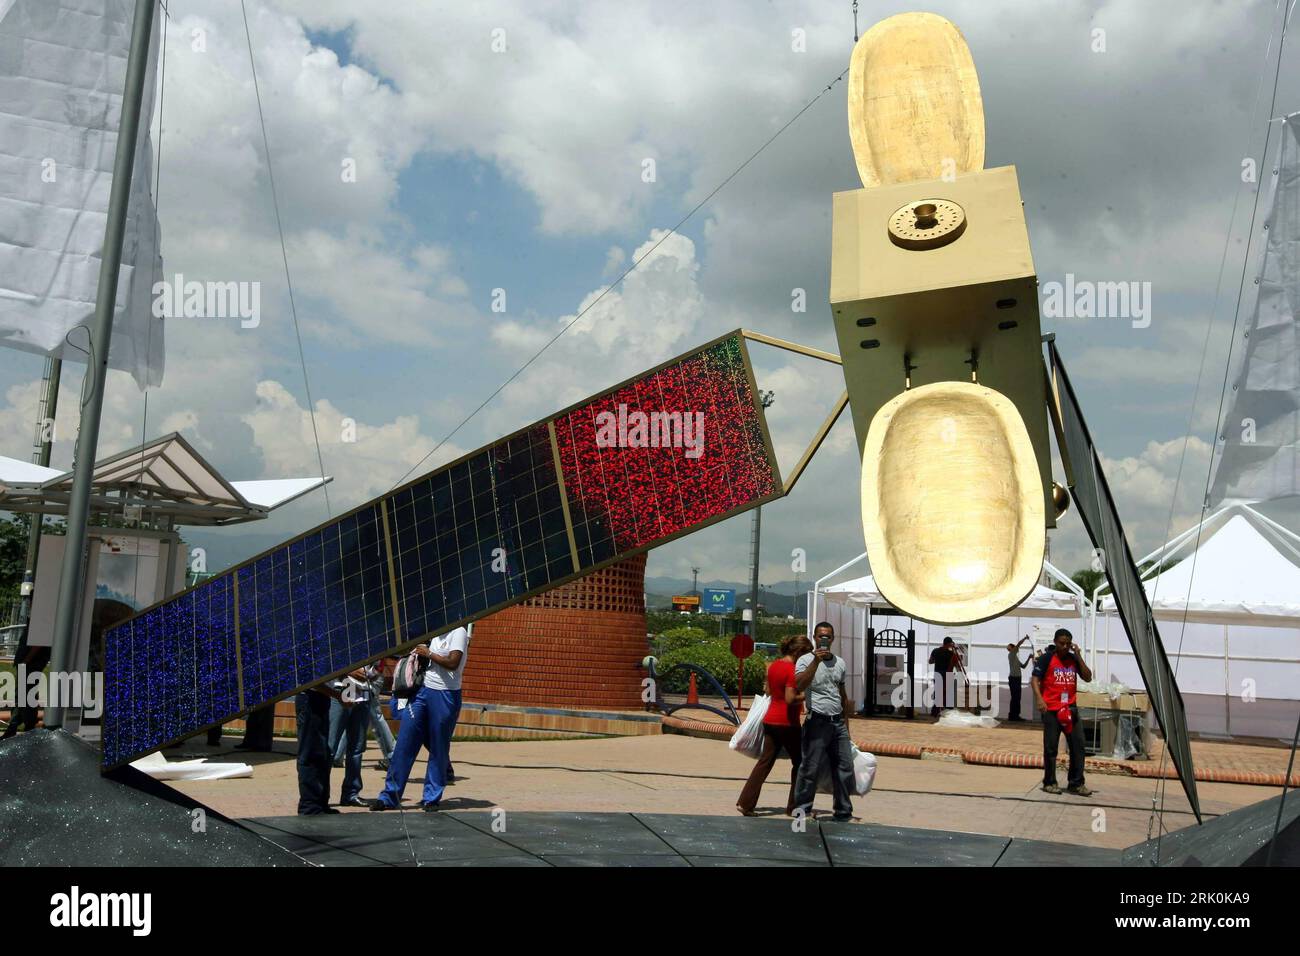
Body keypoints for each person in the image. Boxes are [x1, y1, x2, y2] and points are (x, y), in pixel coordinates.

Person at [371, 625, 469, 812]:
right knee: (405, 742)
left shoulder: (459, 632)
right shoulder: (432, 630)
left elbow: (453, 662)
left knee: (439, 746)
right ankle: (389, 796)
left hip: (446, 694)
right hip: (422, 691)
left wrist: (429, 653)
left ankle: (431, 798)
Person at [736, 634, 811, 816]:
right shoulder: (792, 670)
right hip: (787, 722)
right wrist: (807, 696)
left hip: (770, 719)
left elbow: (769, 690)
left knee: (765, 762)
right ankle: (794, 807)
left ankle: (745, 803)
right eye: (807, 654)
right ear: (799, 652)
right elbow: (790, 698)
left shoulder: (774, 666)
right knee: (800, 763)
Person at [789, 622, 855, 822]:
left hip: (837, 723)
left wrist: (846, 725)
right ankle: (802, 812)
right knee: (810, 768)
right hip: (816, 720)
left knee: (845, 767)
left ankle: (843, 812)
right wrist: (815, 662)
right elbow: (799, 685)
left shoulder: (840, 663)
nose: (823, 639)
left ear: (833, 639)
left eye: (827, 636)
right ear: (815, 637)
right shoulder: (805, 660)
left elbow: (841, 695)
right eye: (820, 636)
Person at [1031, 628, 1094, 796]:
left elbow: (1088, 677)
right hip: (1051, 710)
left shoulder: (1073, 660)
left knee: (1078, 747)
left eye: (1068, 644)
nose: (1065, 646)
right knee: (1051, 748)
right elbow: (1035, 679)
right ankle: (1049, 782)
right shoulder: (1046, 659)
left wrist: (1078, 655)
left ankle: (1076, 783)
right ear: (1055, 642)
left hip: (1070, 709)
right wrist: (1039, 698)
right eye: (1061, 643)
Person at [329, 666, 378, 808]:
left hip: (364, 693)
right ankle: (320, 794)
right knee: (331, 746)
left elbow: (377, 666)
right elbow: (329, 663)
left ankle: (351, 794)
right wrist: (350, 672)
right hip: (343, 687)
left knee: (357, 747)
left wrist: (373, 674)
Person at [295, 681, 346, 815]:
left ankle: (320, 803)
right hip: (310, 698)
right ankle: (310, 806)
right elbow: (312, 681)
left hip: (322, 698)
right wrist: (338, 696)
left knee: (322, 753)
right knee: (310, 753)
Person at [1005, 637, 1034, 721]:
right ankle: (1013, 716)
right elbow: (1018, 644)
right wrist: (1025, 638)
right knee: (1015, 697)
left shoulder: (1015, 658)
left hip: (1017, 679)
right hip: (1014, 679)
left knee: (1017, 698)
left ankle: (1015, 715)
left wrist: (1029, 658)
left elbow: (1024, 666)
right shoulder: (1011, 654)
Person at [928, 637, 957, 716]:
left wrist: (937, 660)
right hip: (947, 675)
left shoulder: (935, 651)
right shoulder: (951, 653)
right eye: (951, 644)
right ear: (949, 644)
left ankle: (934, 713)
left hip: (937, 674)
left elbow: (930, 661)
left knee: (938, 694)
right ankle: (946, 712)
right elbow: (953, 664)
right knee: (947, 695)